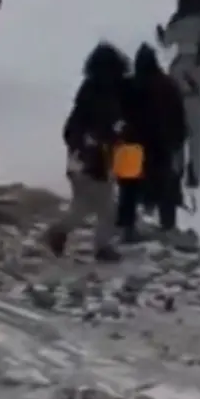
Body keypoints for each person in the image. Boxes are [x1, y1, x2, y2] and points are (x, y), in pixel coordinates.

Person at [45, 43, 129, 262]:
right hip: (95, 160)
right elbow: (109, 128)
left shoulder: (88, 92)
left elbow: (71, 130)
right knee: (107, 207)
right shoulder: (107, 97)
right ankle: (102, 246)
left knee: (82, 205)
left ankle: (59, 232)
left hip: (79, 159)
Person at [117, 43, 188, 241]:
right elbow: (178, 116)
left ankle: (127, 229)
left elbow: (119, 111)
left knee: (128, 189)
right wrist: (178, 141)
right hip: (159, 145)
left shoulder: (130, 85)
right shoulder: (167, 85)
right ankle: (168, 227)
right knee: (166, 187)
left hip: (131, 143)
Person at [168, 31, 200, 189]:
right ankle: (185, 173)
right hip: (186, 100)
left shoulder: (188, 62)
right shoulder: (191, 62)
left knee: (187, 139)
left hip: (187, 99)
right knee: (186, 139)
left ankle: (186, 173)